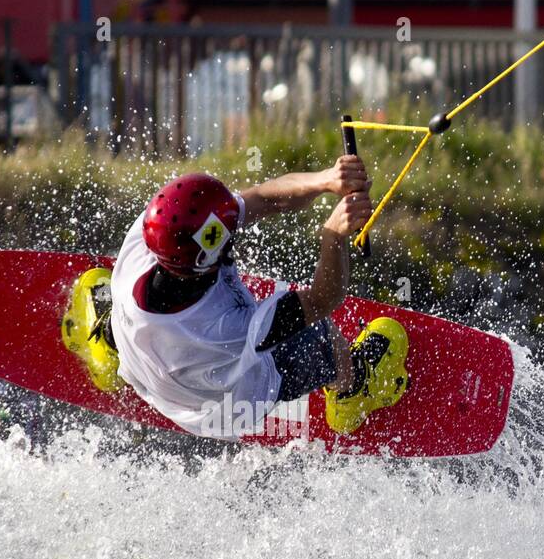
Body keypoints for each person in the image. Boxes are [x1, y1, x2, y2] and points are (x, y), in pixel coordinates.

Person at [62, 158, 408, 439]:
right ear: (203, 259)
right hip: (221, 408)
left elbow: (263, 198)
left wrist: (325, 179)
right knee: (322, 336)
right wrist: (333, 234)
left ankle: (106, 350)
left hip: (141, 356)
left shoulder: (152, 236)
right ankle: (352, 392)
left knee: (119, 300)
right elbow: (322, 298)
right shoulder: (226, 327)